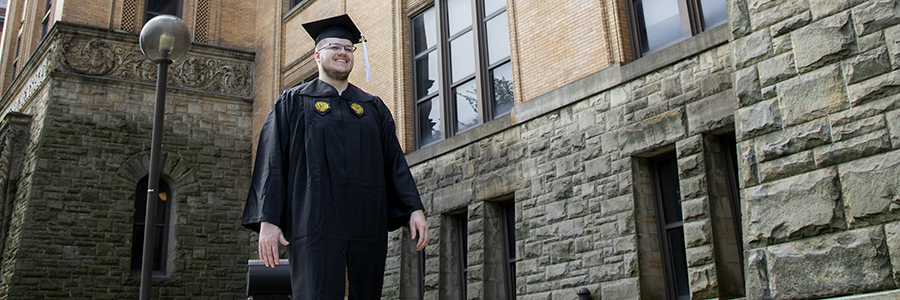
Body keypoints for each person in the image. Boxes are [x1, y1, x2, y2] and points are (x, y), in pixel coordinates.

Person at [241, 14, 429, 299]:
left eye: (347, 48)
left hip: (365, 223)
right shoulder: (292, 103)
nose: (342, 52)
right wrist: (268, 221)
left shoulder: (372, 108)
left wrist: (413, 208)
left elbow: (393, 162)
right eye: (334, 47)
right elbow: (272, 162)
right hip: (314, 223)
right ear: (317, 55)